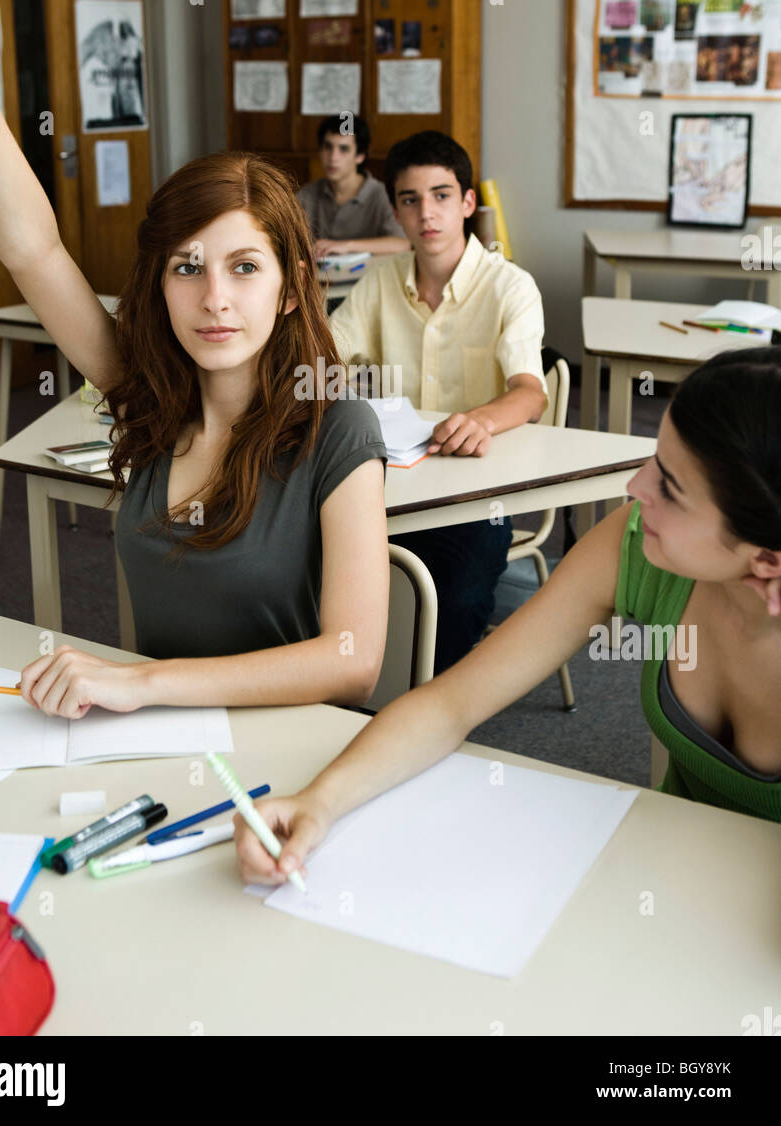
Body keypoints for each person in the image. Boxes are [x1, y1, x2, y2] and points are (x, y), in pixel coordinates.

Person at [0, 0, 390, 718]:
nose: (215, 296)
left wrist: (139, 684)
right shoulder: (148, 399)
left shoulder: (334, 426)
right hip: (165, 744)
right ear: (160, 285)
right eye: (187, 266)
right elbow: (31, 247)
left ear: (290, 292)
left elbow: (352, 662)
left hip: (295, 761)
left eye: (245, 268)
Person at [235, 347, 781, 887]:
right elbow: (452, 704)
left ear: (767, 562)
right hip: (674, 885)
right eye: (655, 461)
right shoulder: (638, 544)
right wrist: (320, 802)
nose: (635, 488)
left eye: (671, 488)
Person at [330, 129, 548, 673]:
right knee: (315, 570)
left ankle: (423, 710)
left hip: (477, 491)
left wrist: (480, 419)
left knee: (457, 596)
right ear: (396, 212)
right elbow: (326, 354)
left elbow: (531, 393)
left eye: (442, 195)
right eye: (410, 199)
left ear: (468, 203)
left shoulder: (511, 287)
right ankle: (350, 700)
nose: (427, 212)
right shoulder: (378, 281)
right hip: (389, 479)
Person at [297, 114, 410, 259]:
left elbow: (403, 244)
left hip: (368, 279)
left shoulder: (382, 194)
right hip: (319, 279)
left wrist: (346, 246)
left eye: (343, 149)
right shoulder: (308, 194)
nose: (333, 157)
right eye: (328, 147)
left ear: (360, 156)